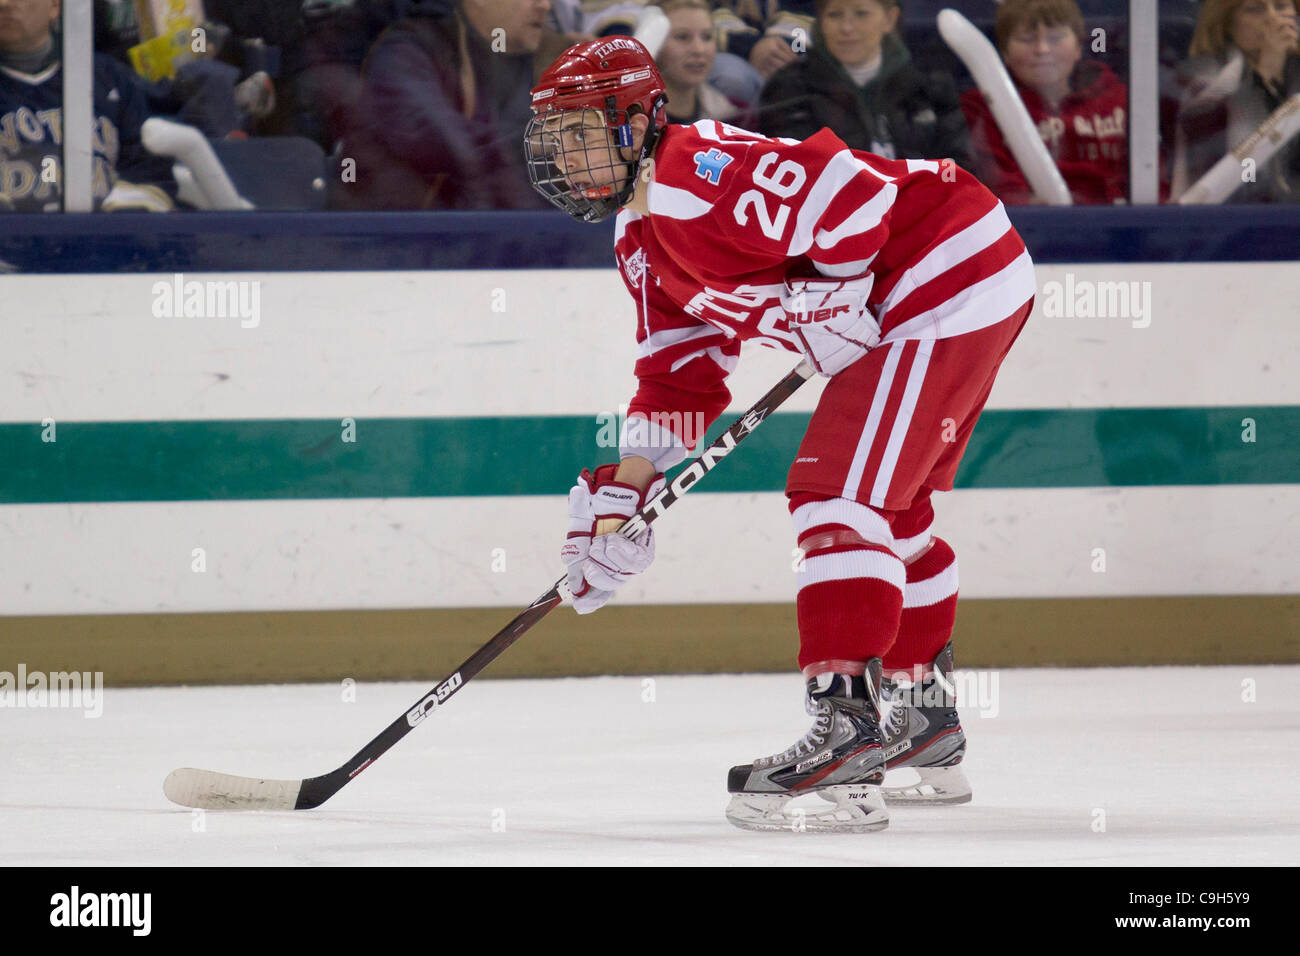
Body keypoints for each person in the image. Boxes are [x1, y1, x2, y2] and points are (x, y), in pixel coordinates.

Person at [524, 37, 1034, 831]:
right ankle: (925, 725)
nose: (566, 156)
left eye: (581, 131)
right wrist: (625, 496)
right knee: (891, 515)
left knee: (835, 496)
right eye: (556, 140)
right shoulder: (636, 238)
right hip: (960, 275)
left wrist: (832, 298)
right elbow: (679, 378)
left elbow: (853, 198)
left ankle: (848, 735)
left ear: (637, 122)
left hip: (941, 272)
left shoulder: (695, 173)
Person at [333, 0, 554, 209]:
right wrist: (534, 143)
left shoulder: (481, 57)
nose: (545, 5)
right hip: (375, 243)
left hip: (442, 240)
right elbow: (450, 143)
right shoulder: (404, 54)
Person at [0, 0, 176, 211]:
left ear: (55, 6)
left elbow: (149, 172)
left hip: (104, 238)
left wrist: (130, 210)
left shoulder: (109, 77)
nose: (4, 3)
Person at [758, 0, 972, 169]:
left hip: (922, 217)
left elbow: (957, 169)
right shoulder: (789, 88)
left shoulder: (932, 86)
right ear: (821, 21)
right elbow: (797, 173)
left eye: (861, 13)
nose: (847, 28)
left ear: (890, 18)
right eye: (835, 14)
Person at [960, 0, 1130, 205]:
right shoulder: (982, 107)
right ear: (1004, 53)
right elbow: (995, 191)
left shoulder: (1121, 99)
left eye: (1056, 38)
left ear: (1078, 47)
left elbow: (1152, 183)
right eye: (1026, 39)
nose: (1042, 49)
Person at [1173, 0, 1300, 202]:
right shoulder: (1202, 78)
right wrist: (1265, 76)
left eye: (1282, 6)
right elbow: (1238, 177)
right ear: (1227, 24)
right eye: (1255, 9)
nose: (1273, 18)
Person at [655, 0, 746, 124]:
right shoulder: (630, 119)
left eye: (707, 37)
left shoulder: (735, 117)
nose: (699, 50)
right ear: (655, 45)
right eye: (682, 37)